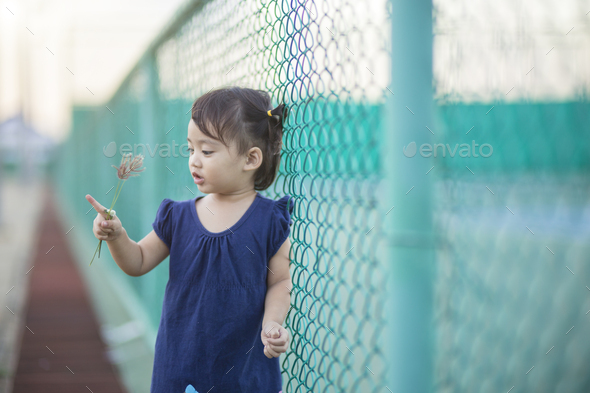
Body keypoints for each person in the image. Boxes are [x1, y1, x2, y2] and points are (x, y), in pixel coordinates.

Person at [85, 86, 294, 393]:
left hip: (244, 374)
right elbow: (138, 260)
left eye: (207, 151)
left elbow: (280, 282)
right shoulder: (178, 217)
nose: (194, 160)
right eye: (190, 149)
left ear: (250, 159)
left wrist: (272, 323)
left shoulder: (269, 221)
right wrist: (117, 236)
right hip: (180, 367)